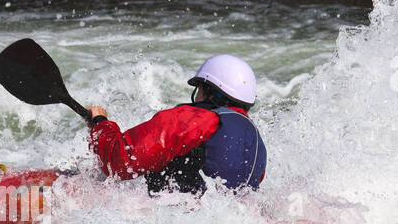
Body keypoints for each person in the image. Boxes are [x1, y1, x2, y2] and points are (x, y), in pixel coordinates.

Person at [86, 54, 266, 196]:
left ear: (205, 91)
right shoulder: (256, 142)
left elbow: (117, 161)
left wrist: (100, 123)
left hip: (175, 222)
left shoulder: (194, 120)